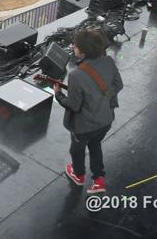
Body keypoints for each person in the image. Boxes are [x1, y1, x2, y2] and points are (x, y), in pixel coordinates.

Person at [53, 29, 122, 195]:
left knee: (76, 150)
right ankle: (99, 179)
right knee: (95, 145)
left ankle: (78, 175)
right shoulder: (109, 61)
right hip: (106, 120)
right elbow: (118, 85)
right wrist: (101, 98)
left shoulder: (77, 75)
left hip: (84, 127)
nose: (73, 47)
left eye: (75, 46)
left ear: (82, 51)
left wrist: (58, 94)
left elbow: (74, 106)